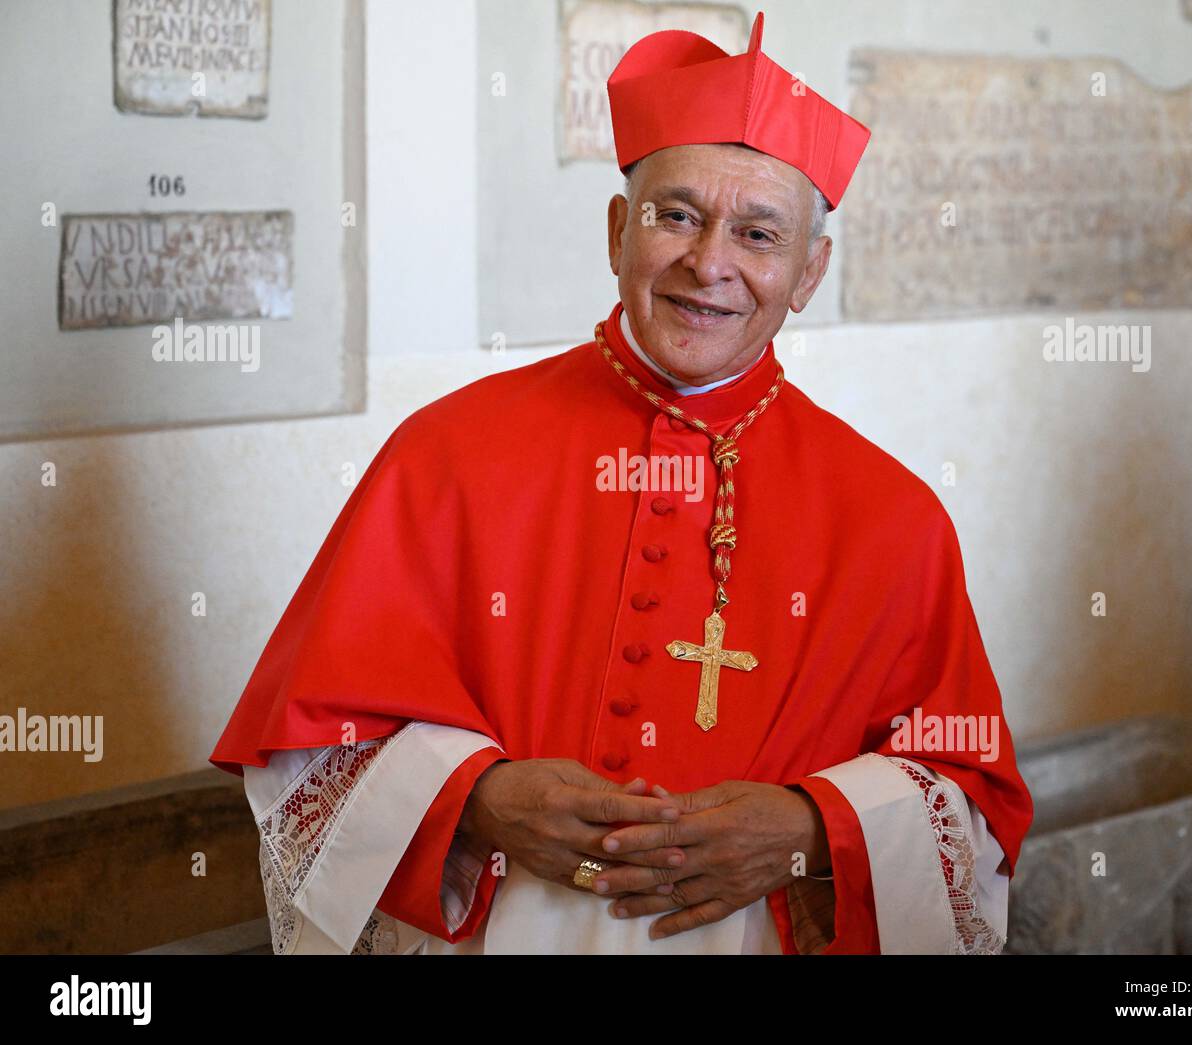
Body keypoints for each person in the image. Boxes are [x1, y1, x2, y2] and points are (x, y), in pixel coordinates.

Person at [210, 10, 1033, 955]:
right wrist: (472, 796)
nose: (709, 263)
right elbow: (310, 745)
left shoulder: (895, 519)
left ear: (809, 272)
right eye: (676, 215)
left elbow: (973, 805)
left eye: (759, 234)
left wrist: (811, 830)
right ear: (617, 231)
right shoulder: (443, 457)